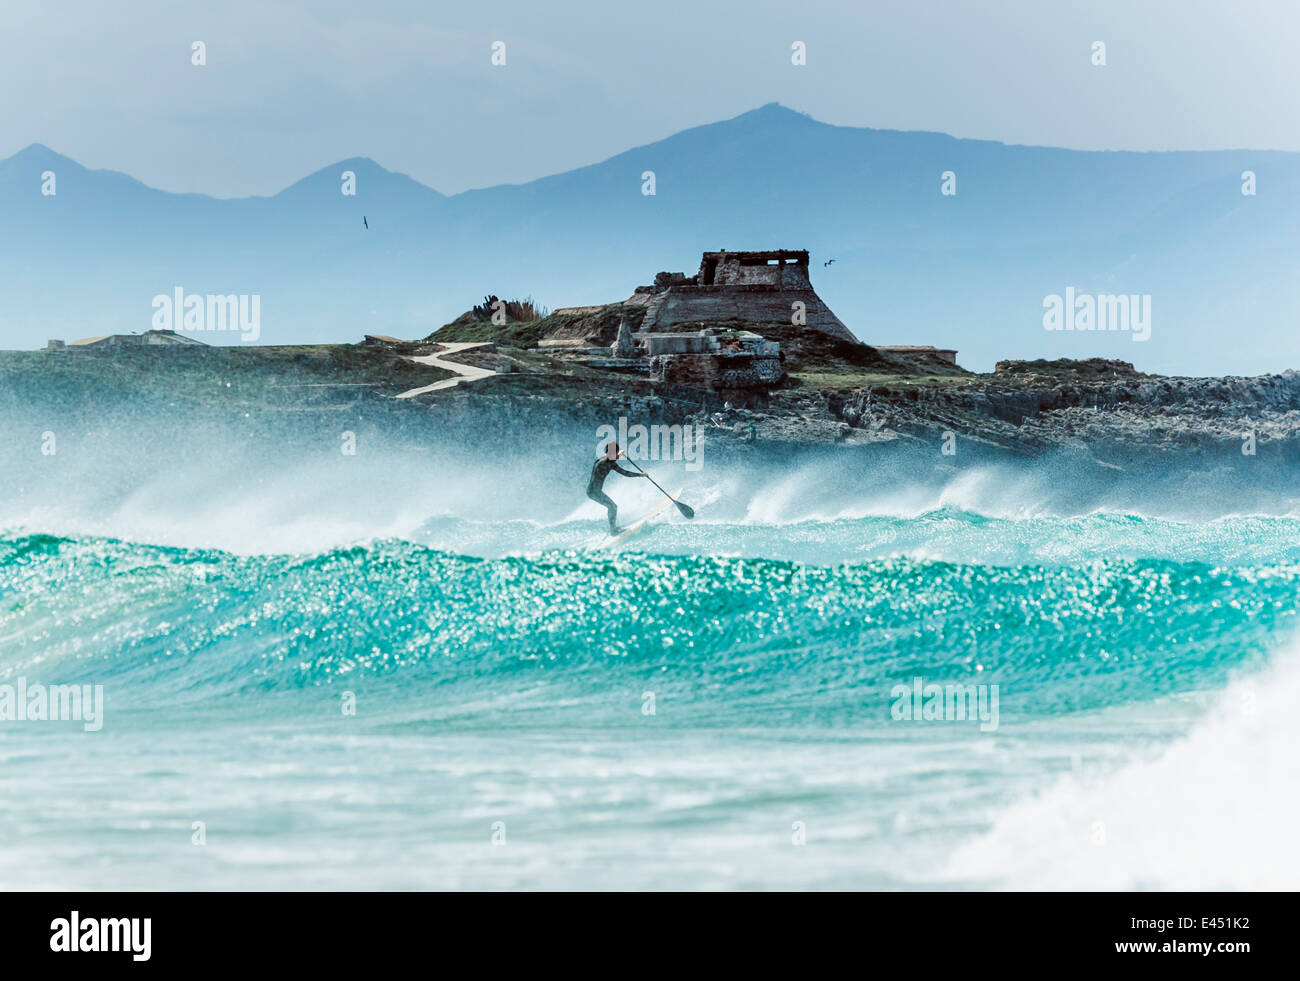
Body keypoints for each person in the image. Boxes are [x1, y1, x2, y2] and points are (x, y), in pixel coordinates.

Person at [587, 442, 647, 533]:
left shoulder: (607, 461)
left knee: (612, 507)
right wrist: (640, 474)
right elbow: (622, 471)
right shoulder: (603, 463)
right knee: (612, 507)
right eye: (613, 453)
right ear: (608, 452)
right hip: (593, 492)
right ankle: (613, 530)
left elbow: (622, 470)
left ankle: (613, 528)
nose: (614, 456)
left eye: (615, 453)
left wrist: (618, 455)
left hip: (594, 491)